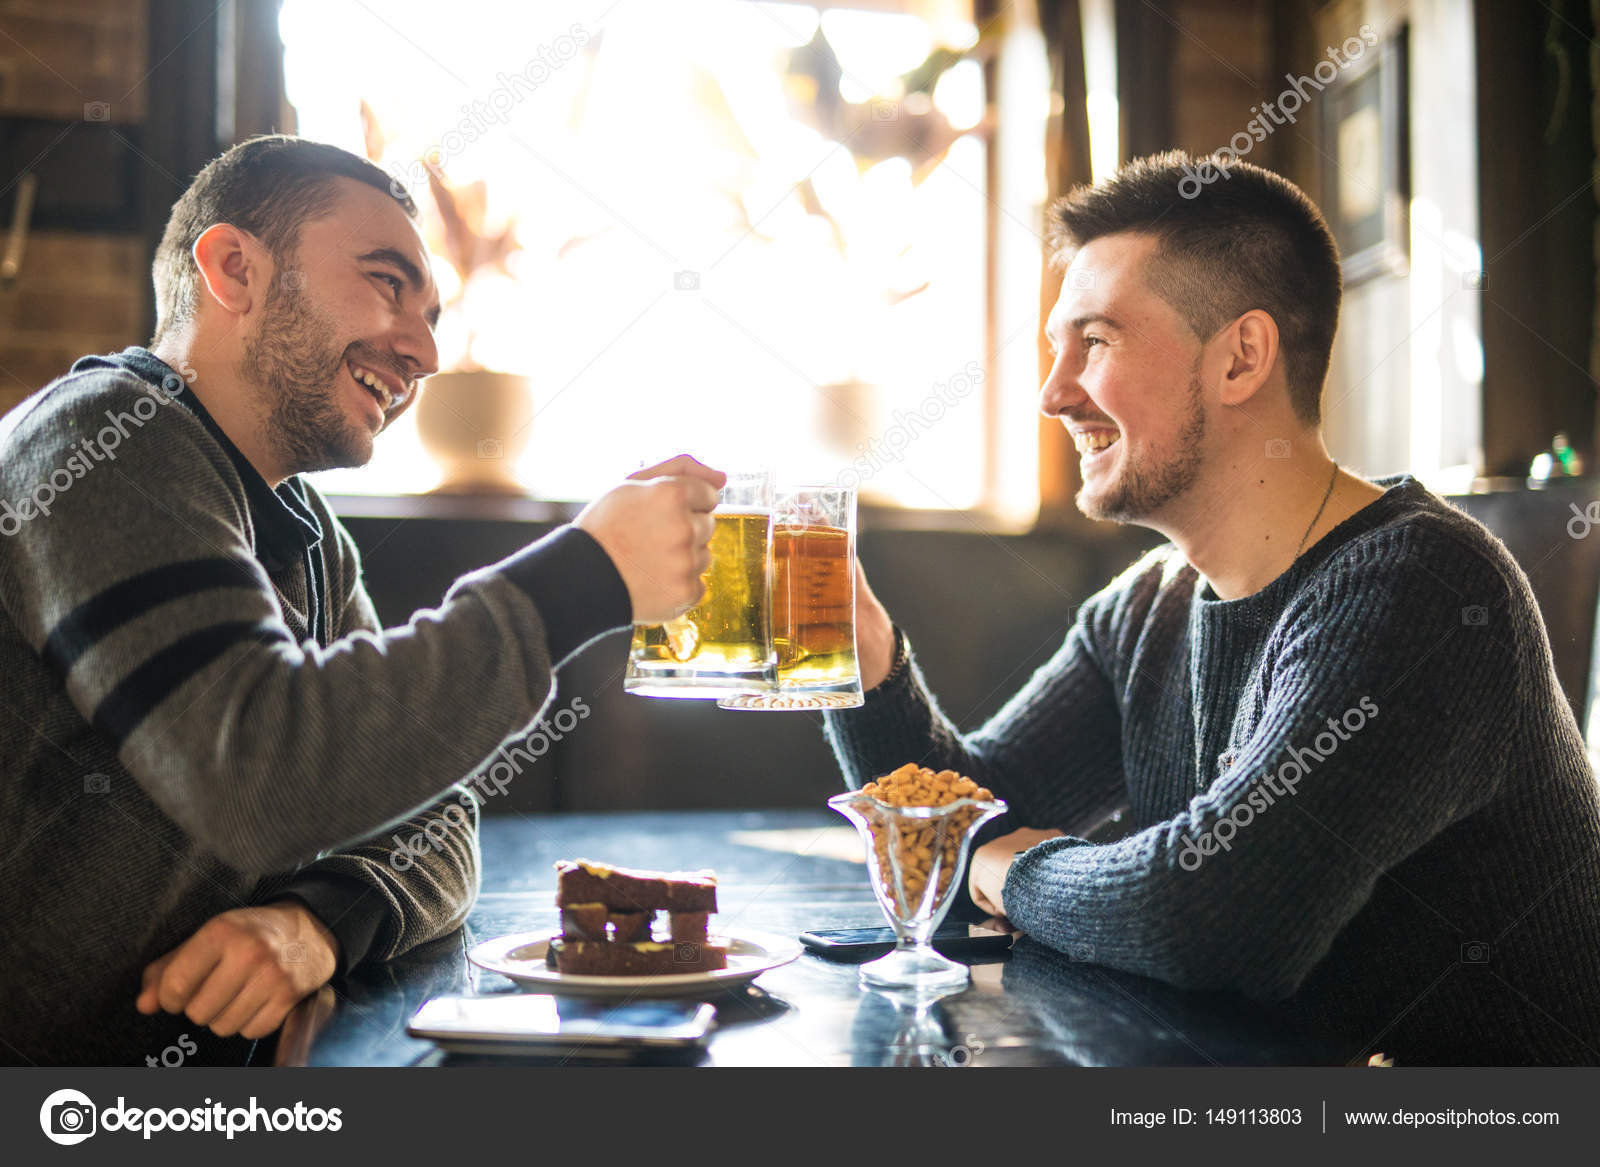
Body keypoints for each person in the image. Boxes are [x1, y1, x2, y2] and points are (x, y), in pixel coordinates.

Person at [825, 151, 1600, 1065]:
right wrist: (860, 649)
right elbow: (954, 823)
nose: (1053, 392)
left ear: (1241, 357)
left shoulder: (1424, 588)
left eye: (1097, 341)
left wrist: (1004, 863)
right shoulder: (1149, 604)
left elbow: (1218, 918)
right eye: (1053, 347)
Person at [0, 135, 721, 1066]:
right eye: (387, 284)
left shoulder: (307, 535)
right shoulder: (103, 438)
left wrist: (319, 923)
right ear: (232, 269)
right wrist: (582, 577)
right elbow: (252, 773)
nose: (423, 352)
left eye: (431, 314)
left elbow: (438, 815)